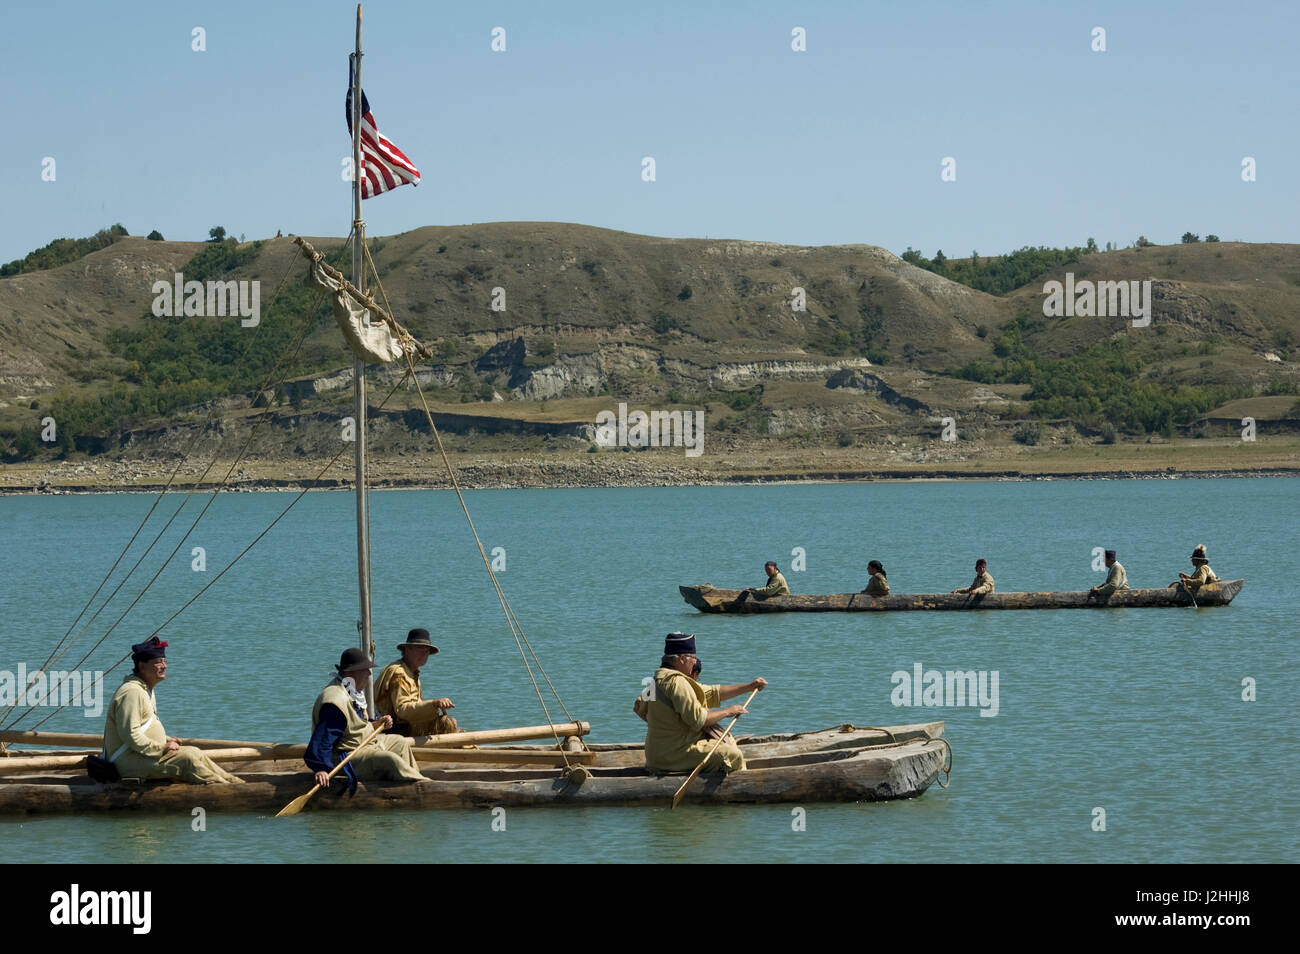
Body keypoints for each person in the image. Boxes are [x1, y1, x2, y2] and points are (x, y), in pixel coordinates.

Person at [101, 637, 245, 785]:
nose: (164, 666)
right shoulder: (132, 692)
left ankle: (236, 783)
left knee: (193, 751)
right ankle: (228, 789)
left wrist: (166, 739)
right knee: (186, 760)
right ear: (142, 666)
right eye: (158, 662)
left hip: (141, 756)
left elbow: (144, 727)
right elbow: (130, 735)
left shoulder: (145, 689)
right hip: (128, 763)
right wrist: (162, 748)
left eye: (164, 661)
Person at [634, 633, 766, 774]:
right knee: (733, 755)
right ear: (682, 659)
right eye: (693, 658)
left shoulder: (657, 680)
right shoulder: (678, 683)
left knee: (727, 741)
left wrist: (749, 687)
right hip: (674, 756)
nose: (695, 662)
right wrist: (729, 711)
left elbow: (640, 709)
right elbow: (699, 720)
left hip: (656, 754)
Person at [305, 648, 425, 791]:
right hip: (346, 756)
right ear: (350, 673)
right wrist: (321, 768)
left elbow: (354, 727)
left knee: (400, 742)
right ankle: (421, 786)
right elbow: (322, 739)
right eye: (365, 670)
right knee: (389, 760)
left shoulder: (351, 691)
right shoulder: (335, 701)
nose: (369, 674)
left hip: (366, 743)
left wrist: (376, 725)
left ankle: (414, 778)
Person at [374, 628, 460, 737]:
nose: (424, 653)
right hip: (392, 728)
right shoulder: (399, 673)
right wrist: (434, 704)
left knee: (451, 722)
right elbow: (402, 710)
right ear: (407, 649)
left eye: (427, 650)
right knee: (446, 724)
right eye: (420, 648)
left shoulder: (411, 672)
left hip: (405, 725)